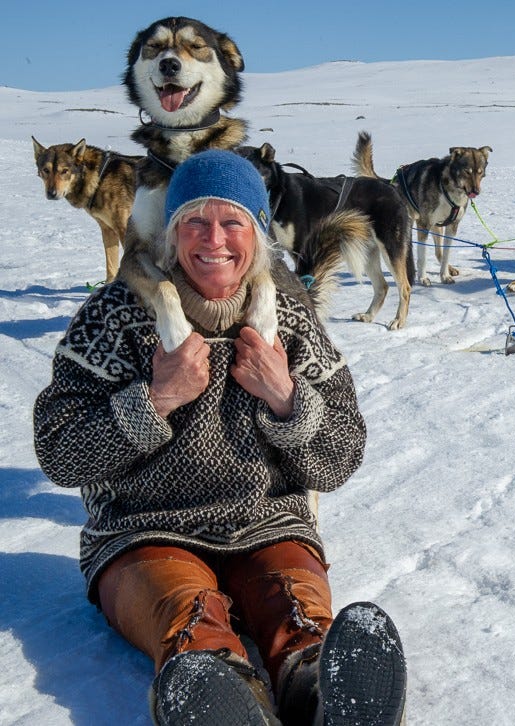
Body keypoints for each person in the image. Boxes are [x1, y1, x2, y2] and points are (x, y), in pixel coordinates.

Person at [33, 150, 406, 726]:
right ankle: (214, 688)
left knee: (297, 616)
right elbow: (60, 450)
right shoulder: (115, 314)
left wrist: (286, 397)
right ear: (170, 232)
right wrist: (155, 399)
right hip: (143, 532)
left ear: (258, 234)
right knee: (189, 616)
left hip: (268, 525)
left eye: (233, 221)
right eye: (195, 222)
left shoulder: (290, 320)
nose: (214, 239)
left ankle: (322, 689)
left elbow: (340, 456)